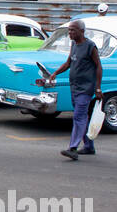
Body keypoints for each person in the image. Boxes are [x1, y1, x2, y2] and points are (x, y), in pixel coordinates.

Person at [44, 19, 103, 161]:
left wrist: (98, 88)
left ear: (81, 31)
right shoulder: (74, 44)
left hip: (86, 88)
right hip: (74, 87)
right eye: (69, 30)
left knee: (78, 116)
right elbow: (68, 63)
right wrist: (55, 73)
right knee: (82, 118)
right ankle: (89, 146)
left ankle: (73, 148)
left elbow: (99, 66)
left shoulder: (90, 46)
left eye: (73, 30)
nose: (70, 33)